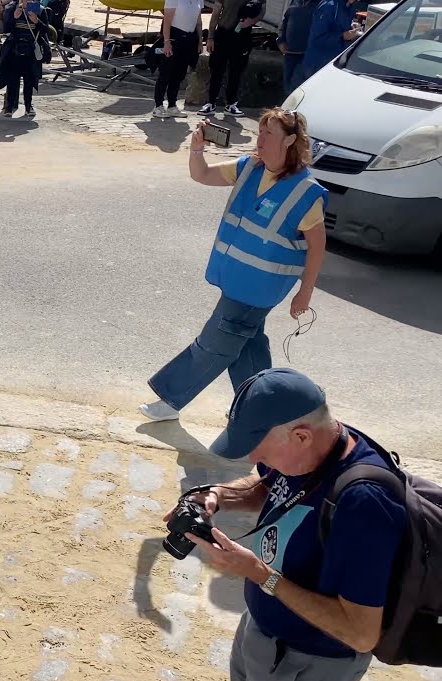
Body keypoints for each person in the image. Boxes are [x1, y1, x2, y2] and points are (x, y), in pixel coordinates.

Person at [169, 368, 405, 681]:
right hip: (263, 627)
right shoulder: (318, 448)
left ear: (301, 436)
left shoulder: (366, 505)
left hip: (306, 660)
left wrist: (259, 574)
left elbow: (360, 634)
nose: (253, 460)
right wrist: (218, 495)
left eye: (259, 449)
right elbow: (267, 485)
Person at [142, 109, 328, 422]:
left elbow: (317, 246)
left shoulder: (306, 192)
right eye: (261, 131)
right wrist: (197, 148)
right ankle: (265, 412)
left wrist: (305, 292)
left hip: (260, 288)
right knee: (247, 347)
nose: (261, 138)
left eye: (270, 134)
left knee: (215, 344)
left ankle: (171, 400)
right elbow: (201, 175)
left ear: (291, 141)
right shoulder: (249, 167)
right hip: (239, 280)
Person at [200, 0, 263, 117]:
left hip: (243, 35)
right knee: (216, 70)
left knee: (236, 71)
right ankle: (210, 103)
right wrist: (210, 37)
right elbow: (216, 12)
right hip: (223, 33)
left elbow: (262, 11)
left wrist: (251, 21)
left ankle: (231, 104)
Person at [0, 0, 51, 119]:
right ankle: (9, 106)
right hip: (14, 49)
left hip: (31, 49)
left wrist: (37, 21)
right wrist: (14, 17)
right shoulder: (12, 9)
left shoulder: (40, 10)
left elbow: (46, 30)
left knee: (29, 79)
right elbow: (6, 28)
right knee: (12, 79)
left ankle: (28, 105)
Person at [152, 0, 203, 118]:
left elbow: (198, 22)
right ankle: (158, 105)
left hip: (189, 39)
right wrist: (166, 42)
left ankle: (172, 105)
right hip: (175, 36)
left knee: (179, 74)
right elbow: (167, 21)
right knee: (166, 73)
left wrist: (200, 41)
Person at [300, 0, 362, 78]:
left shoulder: (349, 6)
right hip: (317, 65)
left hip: (334, 63)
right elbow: (317, 39)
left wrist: (351, 25)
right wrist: (343, 36)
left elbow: (338, 24)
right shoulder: (329, 6)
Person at [278, 0, 318, 94]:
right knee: (288, 86)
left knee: (300, 89)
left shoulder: (320, 4)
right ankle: (286, 106)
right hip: (290, 52)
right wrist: (280, 41)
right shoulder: (295, 2)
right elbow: (285, 21)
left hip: (307, 54)